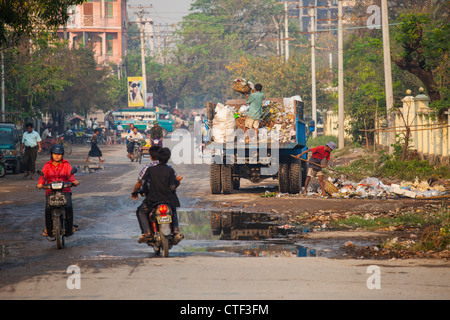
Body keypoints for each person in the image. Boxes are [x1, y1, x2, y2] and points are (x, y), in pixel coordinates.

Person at [131, 147, 182, 243]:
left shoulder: (150, 169)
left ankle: (147, 232)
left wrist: (141, 191)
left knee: (141, 211)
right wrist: (177, 182)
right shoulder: (170, 170)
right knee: (173, 209)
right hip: (168, 199)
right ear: (168, 158)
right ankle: (175, 230)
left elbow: (142, 182)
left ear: (152, 157)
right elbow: (172, 187)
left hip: (152, 199)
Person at [37, 144, 79, 238]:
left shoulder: (66, 164)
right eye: (55, 153)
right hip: (50, 191)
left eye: (59, 154)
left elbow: (70, 175)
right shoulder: (47, 165)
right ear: (51, 154)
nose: (57, 156)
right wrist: (40, 183)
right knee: (48, 210)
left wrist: (74, 181)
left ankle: (69, 227)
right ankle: (48, 229)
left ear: (62, 155)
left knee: (68, 208)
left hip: (65, 190)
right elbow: (43, 176)